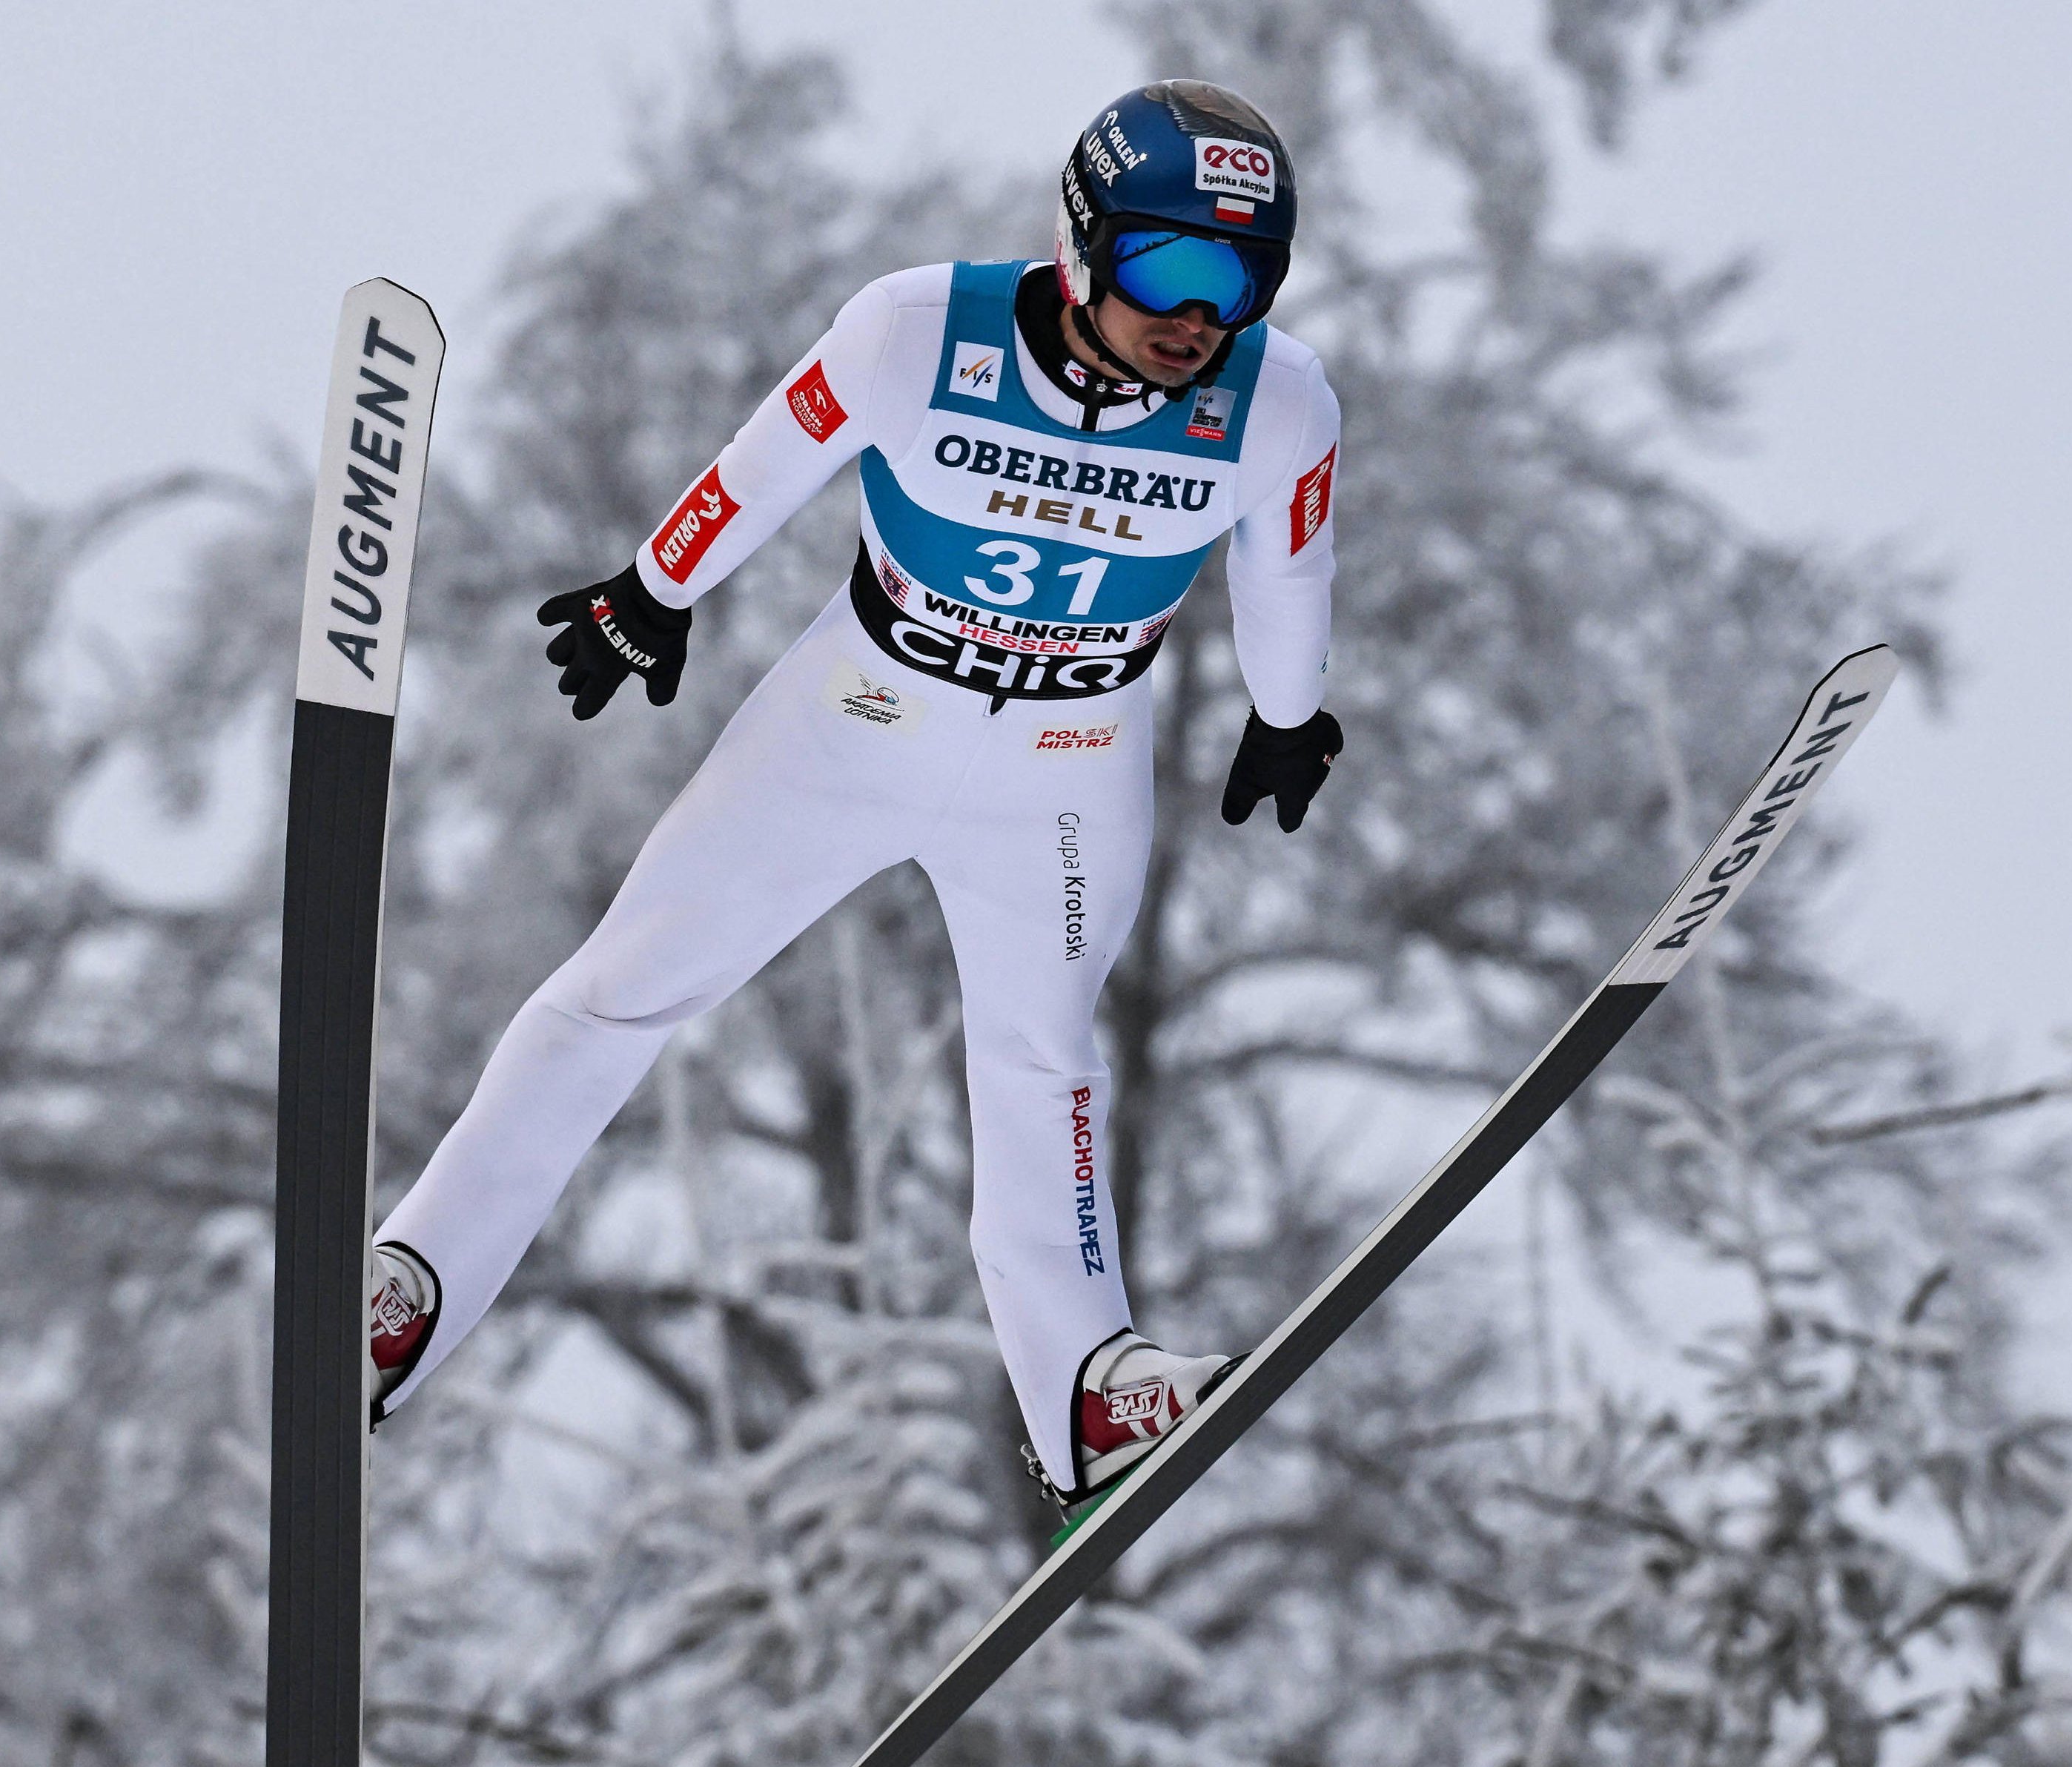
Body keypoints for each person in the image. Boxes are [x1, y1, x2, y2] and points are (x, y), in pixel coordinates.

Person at [364, 79, 1346, 1530]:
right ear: (1084, 242)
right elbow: (767, 460)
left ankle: (1086, 1391)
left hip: (1070, 757)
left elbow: (1289, 570)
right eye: (1168, 264)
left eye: (1241, 280)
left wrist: (1287, 713)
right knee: (625, 984)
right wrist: (655, 589)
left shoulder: (1276, 404)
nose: (1200, 316)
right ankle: (410, 1284)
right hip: (860, 712)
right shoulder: (916, 331)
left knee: (1044, 1062)